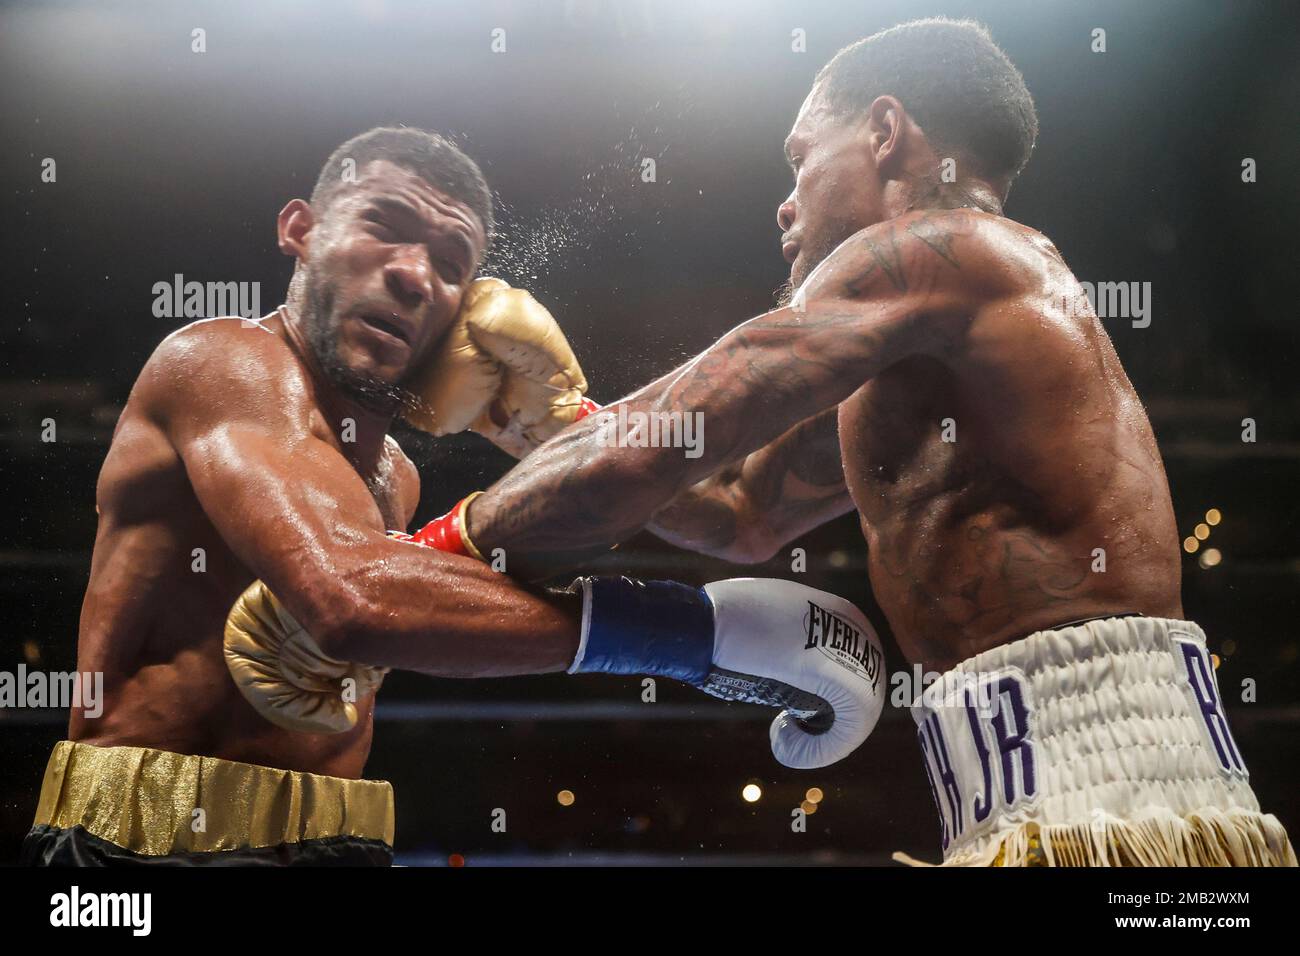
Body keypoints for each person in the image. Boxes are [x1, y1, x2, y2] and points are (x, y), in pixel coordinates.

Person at [393, 19, 1295, 866]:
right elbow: (736, 513)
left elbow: (647, 456)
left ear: (885, 131)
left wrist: (413, 563)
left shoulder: (948, 251)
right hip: (1042, 795)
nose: (785, 206)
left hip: (1112, 795)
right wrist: (540, 418)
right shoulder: (933, 337)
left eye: (798, 159)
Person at [24, 126, 882, 867]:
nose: (413, 275)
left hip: (337, 835)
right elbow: (350, 600)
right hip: (141, 842)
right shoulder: (218, 362)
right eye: (385, 231)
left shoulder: (395, 473)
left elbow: (402, 604)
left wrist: (554, 428)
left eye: (449, 264)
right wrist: (690, 635)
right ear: (301, 229)